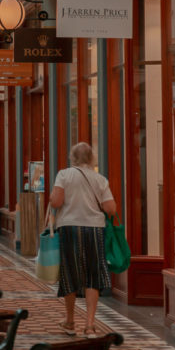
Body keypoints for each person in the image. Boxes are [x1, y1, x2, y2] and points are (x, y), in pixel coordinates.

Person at [48, 142, 116, 337]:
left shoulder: (64, 175)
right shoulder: (100, 179)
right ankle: (90, 325)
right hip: (94, 229)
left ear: (73, 158)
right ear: (91, 158)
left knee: (70, 273)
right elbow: (111, 209)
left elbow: (57, 202)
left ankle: (70, 321)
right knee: (93, 275)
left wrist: (53, 199)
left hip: (69, 228)